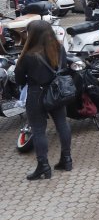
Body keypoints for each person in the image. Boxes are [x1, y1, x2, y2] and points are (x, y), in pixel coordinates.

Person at [15, 20, 72, 180]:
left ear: (32, 35)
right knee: (62, 124)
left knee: (39, 130)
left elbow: (19, 79)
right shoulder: (59, 48)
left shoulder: (28, 55)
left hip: (36, 94)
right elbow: (64, 67)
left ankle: (43, 166)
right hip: (57, 92)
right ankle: (66, 159)